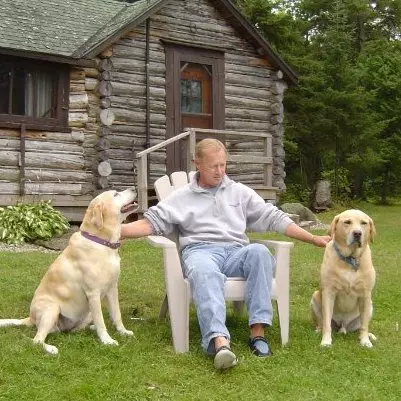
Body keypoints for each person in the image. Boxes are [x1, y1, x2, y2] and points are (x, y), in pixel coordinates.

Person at [121, 138, 330, 370]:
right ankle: (219, 342)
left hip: (235, 252)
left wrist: (312, 238)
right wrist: (116, 231)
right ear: (197, 163)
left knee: (259, 252)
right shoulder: (181, 197)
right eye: (213, 166)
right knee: (204, 270)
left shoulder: (239, 192)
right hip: (200, 251)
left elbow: (274, 217)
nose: (220, 171)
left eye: (223, 165)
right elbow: (151, 222)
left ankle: (257, 334)